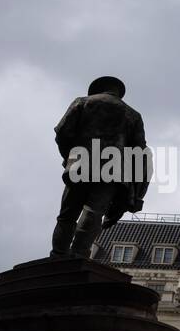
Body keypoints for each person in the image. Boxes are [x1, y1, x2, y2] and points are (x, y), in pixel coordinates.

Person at [51, 76, 152, 258]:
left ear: (98, 89)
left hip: (80, 164)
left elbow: (62, 134)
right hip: (113, 170)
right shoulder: (133, 115)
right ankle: (79, 255)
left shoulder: (83, 102)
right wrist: (135, 190)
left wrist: (69, 157)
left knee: (68, 213)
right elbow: (139, 152)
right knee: (94, 214)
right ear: (119, 93)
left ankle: (58, 254)